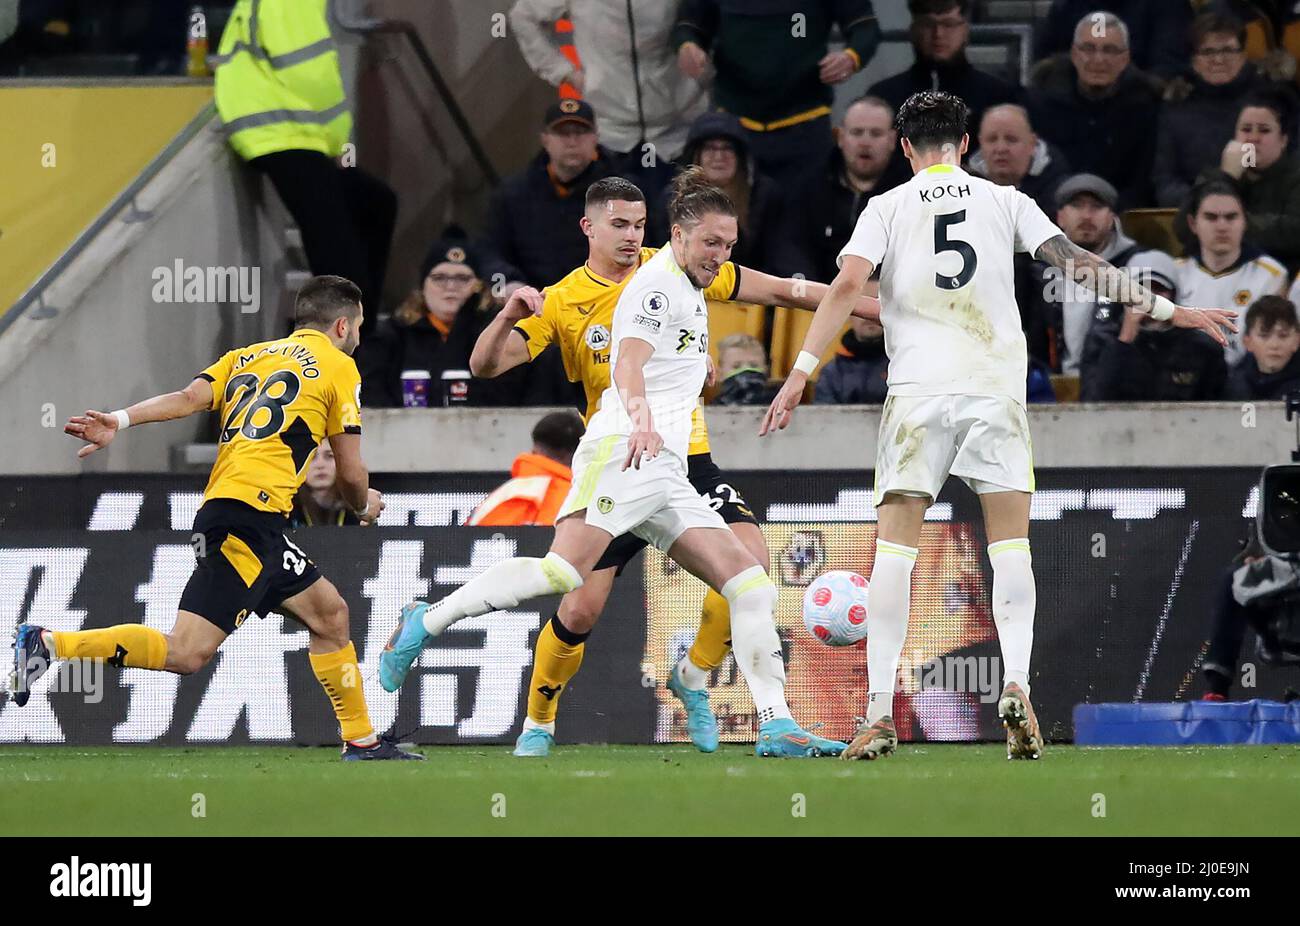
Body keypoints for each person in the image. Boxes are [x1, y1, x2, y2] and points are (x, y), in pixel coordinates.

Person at [761, 90, 1236, 761]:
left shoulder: (885, 208)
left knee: (894, 552)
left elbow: (843, 289)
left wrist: (800, 372)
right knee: (1010, 548)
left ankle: (875, 712)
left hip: (919, 393)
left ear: (904, 149)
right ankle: (1017, 682)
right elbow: (1080, 266)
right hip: (993, 389)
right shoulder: (1004, 200)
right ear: (964, 146)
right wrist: (1167, 310)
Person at [379, 169, 855, 759]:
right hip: (626, 450)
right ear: (590, 228)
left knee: (751, 582)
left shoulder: (686, 269)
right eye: (619, 225)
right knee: (565, 583)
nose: (633, 237)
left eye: (639, 225)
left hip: (672, 463)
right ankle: (430, 624)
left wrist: (877, 306)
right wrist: (641, 412)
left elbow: (789, 293)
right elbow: (612, 363)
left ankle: (773, 723)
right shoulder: (623, 290)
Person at [19, 277, 418, 761]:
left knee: (330, 613)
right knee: (187, 653)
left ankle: (362, 741)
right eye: (356, 326)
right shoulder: (339, 368)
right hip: (249, 519)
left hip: (241, 515)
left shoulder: (247, 355)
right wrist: (362, 506)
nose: (357, 335)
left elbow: (189, 399)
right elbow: (350, 470)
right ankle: (49, 643)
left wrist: (118, 420)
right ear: (342, 324)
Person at [213, 1, 395, 336]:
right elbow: (311, 74)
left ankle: (357, 334)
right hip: (281, 129)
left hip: (285, 128)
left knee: (375, 203)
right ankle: (344, 345)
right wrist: (337, 140)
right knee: (339, 255)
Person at [670, 0, 881, 186]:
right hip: (734, 125)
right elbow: (689, 24)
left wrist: (851, 57)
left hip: (805, 123)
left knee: (807, 219)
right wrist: (688, 45)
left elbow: (865, 26)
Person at [358, 232, 568, 408]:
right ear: (423, 286)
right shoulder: (393, 335)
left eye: (462, 278)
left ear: (478, 286)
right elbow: (371, 396)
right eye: (440, 278)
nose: (450, 287)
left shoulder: (495, 333)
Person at [508, 0, 706, 162]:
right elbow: (523, 16)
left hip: (677, 129)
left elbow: (707, 14)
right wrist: (564, 73)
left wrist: (702, 70)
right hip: (609, 134)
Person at [480, 99, 626, 289]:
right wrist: (507, 283)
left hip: (606, 300)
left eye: (580, 133)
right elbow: (488, 251)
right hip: (536, 304)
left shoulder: (623, 193)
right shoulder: (513, 194)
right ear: (545, 139)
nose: (572, 142)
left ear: (595, 138)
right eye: (563, 133)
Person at [1027, 11, 1164, 208]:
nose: (1098, 59)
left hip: (1121, 218)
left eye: (1109, 50)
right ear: (1074, 54)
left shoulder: (1147, 106)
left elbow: (1143, 184)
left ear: (1125, 58)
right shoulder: (1041, 104)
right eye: (1088, 49)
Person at [775, 96, 909, 283]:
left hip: (886, 303)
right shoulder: (810, 186)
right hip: (816, 299)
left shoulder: (911, 191)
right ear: (840, 136)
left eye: (876, 133)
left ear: (893, 140)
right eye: (857, 132)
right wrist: (807, 287)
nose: (865, 142)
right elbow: (790, 247)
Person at [1044, 173, 1166, 374]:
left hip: (1117, 385)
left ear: (1112, 218)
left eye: (1096, 207)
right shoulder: (1040, 268)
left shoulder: (1137, 266)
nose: (1086, 215)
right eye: (1077, 206)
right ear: (1060, 217)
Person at [1154, 11, 1271, 208]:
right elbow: (1164, 182)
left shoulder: (1272, 101)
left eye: (1227, 50)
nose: (1218, 60)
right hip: (1198, 217)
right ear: (1194, 61)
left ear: (1243, 55)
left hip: (1264, 215)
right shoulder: (1176, 110)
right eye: (1208, 52)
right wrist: (1207, 202)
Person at [1079, 253, 1229, 401]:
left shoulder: (1202, 347)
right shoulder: (1101, 340)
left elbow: (1218, 408)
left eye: (1159, 289)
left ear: (1174, 294)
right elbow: (1093, 402)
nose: (1150, 299)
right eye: (1141, 290)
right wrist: (1125, 339)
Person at [868, 0, 1019, 144]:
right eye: (928, 24)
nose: (938, 34)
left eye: (949, 24)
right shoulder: (884, 98)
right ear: (914, 29)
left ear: (965, 30)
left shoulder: (998, 96)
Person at [651, 112, 782, 272]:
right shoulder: (672, 200)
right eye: (710, 148)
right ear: (696, 155)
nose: (719, 156)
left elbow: (779, 256)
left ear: (741, 157)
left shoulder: (764, 196)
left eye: (728, 148)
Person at [1175, 179, 1287, 365]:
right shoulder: (1174, 272)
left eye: (1231, 217)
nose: (1221, 227)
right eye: (1211, 217)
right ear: (1193, 223)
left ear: (1245, 221)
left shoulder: (1272, 276)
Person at [1199, 91, 1300, 275]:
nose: (1253, 138)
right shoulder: (1217, 175)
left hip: (1283, 275)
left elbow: (1292, 231)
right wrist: (1226, 179)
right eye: (1246, 129)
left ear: (1284, 139)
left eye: (1264, 130)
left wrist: (1227, 227)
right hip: (1219, 274)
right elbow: (1184, 227)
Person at [465, 411, 585, 526]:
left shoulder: (501, 498)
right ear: (582, 452)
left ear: (535, 449)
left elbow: (464, 542)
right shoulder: (586, 502)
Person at [1034, 0, 1193, 80]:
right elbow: (1045, 63)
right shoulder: (1067, 5)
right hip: (1074, 106)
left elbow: (1169, 67)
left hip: (1141, 110)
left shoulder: (1168, 5)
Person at [966, 104, 1072, 216]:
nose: (1001, 148)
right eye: (992, 139)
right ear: (980, 143)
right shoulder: (960, 189)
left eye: (1011, 139)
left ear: (1032, 143)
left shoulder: (1060, 194)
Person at [1224, 294, 1300, 399]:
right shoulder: (1229, 386)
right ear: (1247, 342)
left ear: (1297, 341)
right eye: (1264, 336)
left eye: (1283, 336)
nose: (1274, 345)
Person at [813, 316, 889, 404]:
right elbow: (823, 414)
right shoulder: (831, 373)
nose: (868, 318)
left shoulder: (902, 366)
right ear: (849, 315)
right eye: (861, 310)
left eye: (876, 304)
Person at [289, 441, 361, 528]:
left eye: (329, 456)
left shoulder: (358, 509)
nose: (320, 465)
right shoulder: (286, 510)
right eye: (311, 457)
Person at [711, 334, 775, 406]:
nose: (746, 370)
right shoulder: (716, 406)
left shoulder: (776, 403)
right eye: (736, 366)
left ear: (766, 370)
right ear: (719, 373)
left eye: (754, 365)